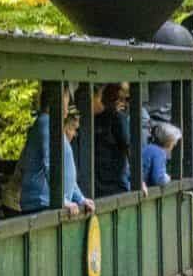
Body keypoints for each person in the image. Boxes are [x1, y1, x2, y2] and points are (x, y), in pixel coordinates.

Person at [20, 88, 95, 216]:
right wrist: (60, 199)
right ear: (54, 102)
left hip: (50, 203)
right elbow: (50, 163)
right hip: (41, 204)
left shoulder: (54, 125)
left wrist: (80, 198)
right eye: (65, 104)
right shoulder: (45, 123)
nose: (66, 110)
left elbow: (66, 169)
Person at [95, 83, 131, 197]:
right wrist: (139, 180)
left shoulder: (95, 118)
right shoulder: (118, 118)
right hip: (116, 183)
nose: (124, 103)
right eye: (122, 99)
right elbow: (128, 146)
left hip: (98, 184)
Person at [142, 123, 181, 188]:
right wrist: (170, 179)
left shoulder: (149, 147)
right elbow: (158, 179)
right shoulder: (159, 152)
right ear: (168, 141)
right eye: (174, 141)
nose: (175, 144)